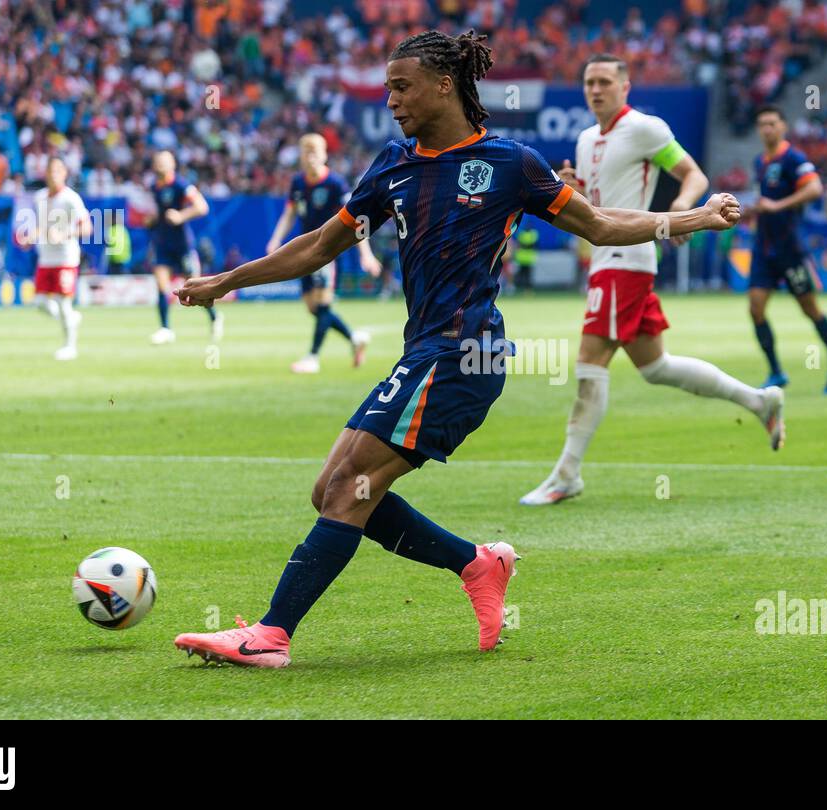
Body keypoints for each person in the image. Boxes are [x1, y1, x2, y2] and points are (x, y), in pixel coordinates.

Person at [170, 30, 743, 667]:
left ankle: (271, 635)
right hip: (424, 351)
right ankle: (477, 563)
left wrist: (692, 217)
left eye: (401, 86)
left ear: (445, 84)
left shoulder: (511, 163)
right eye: (388, 88)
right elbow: (320, 245)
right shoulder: (393, 164)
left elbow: (600, 224)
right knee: (331, 488)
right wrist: (230, 279)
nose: (391, 100)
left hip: (466, 352)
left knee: (350, 488)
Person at [520, 54, 782, 507]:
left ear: (625, 86)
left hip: (628, 255)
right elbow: (589, 204)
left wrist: (683, 207)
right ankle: (761, 402)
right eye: (588, 82)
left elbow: (692, 174)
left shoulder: (645, 129)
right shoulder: (584, 140)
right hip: (604, 257)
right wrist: (569, 185)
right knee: (656, 367)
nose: (595, 89)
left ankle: (567, 474)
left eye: (604, 81)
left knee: (589, 361)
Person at [747, 105, 827, 393]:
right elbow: (765, 201)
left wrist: (776, 206)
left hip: (790, 249)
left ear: (783, 127)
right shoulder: (760, 162)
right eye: (762, 124)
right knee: (755, 308)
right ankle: (776, 371)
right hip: (763, 249)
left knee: (810, 309)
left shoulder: (793, 158)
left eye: (772, 123)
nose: (767, 129)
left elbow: (815, 189)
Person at [266, 133, 381, 373]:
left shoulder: (335, 184)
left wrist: (366, 254)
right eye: (306, 153)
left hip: (327, 250)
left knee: (323, 303)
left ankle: (313, 357)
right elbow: (290, 213)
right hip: (303, 250)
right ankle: (354, 338)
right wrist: (276, 239)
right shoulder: (298, 183)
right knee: (314, 307)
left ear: (325, 155)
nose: (310, 158)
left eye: (315, 153)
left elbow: (355, 220)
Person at [148, 151, 220, 344]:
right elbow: (159, 212)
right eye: (158, 161)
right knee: (161, 284)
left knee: (195, 287)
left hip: (182, 244)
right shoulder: (154, 187)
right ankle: (165, 328)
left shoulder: (181, 185)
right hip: (163, 243)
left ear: (172, 164)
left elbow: (202, 207)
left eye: (164, 161)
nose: (160, 164)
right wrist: (153, 220)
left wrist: (181, 216)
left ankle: (215, 317)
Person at [30, 157, 90, 360]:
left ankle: (70, 346)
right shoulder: (39, 197)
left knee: (63, 302)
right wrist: (32, 235)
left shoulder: (71, 198)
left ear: (64, 173)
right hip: (45, 258)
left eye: (58, 171)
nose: (54, 175)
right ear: (45, 173)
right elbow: (43, 225)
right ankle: (72, 319)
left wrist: (64, 235)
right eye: (51, 171)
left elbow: (87, 227)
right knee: (39, 302)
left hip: (66, 257)